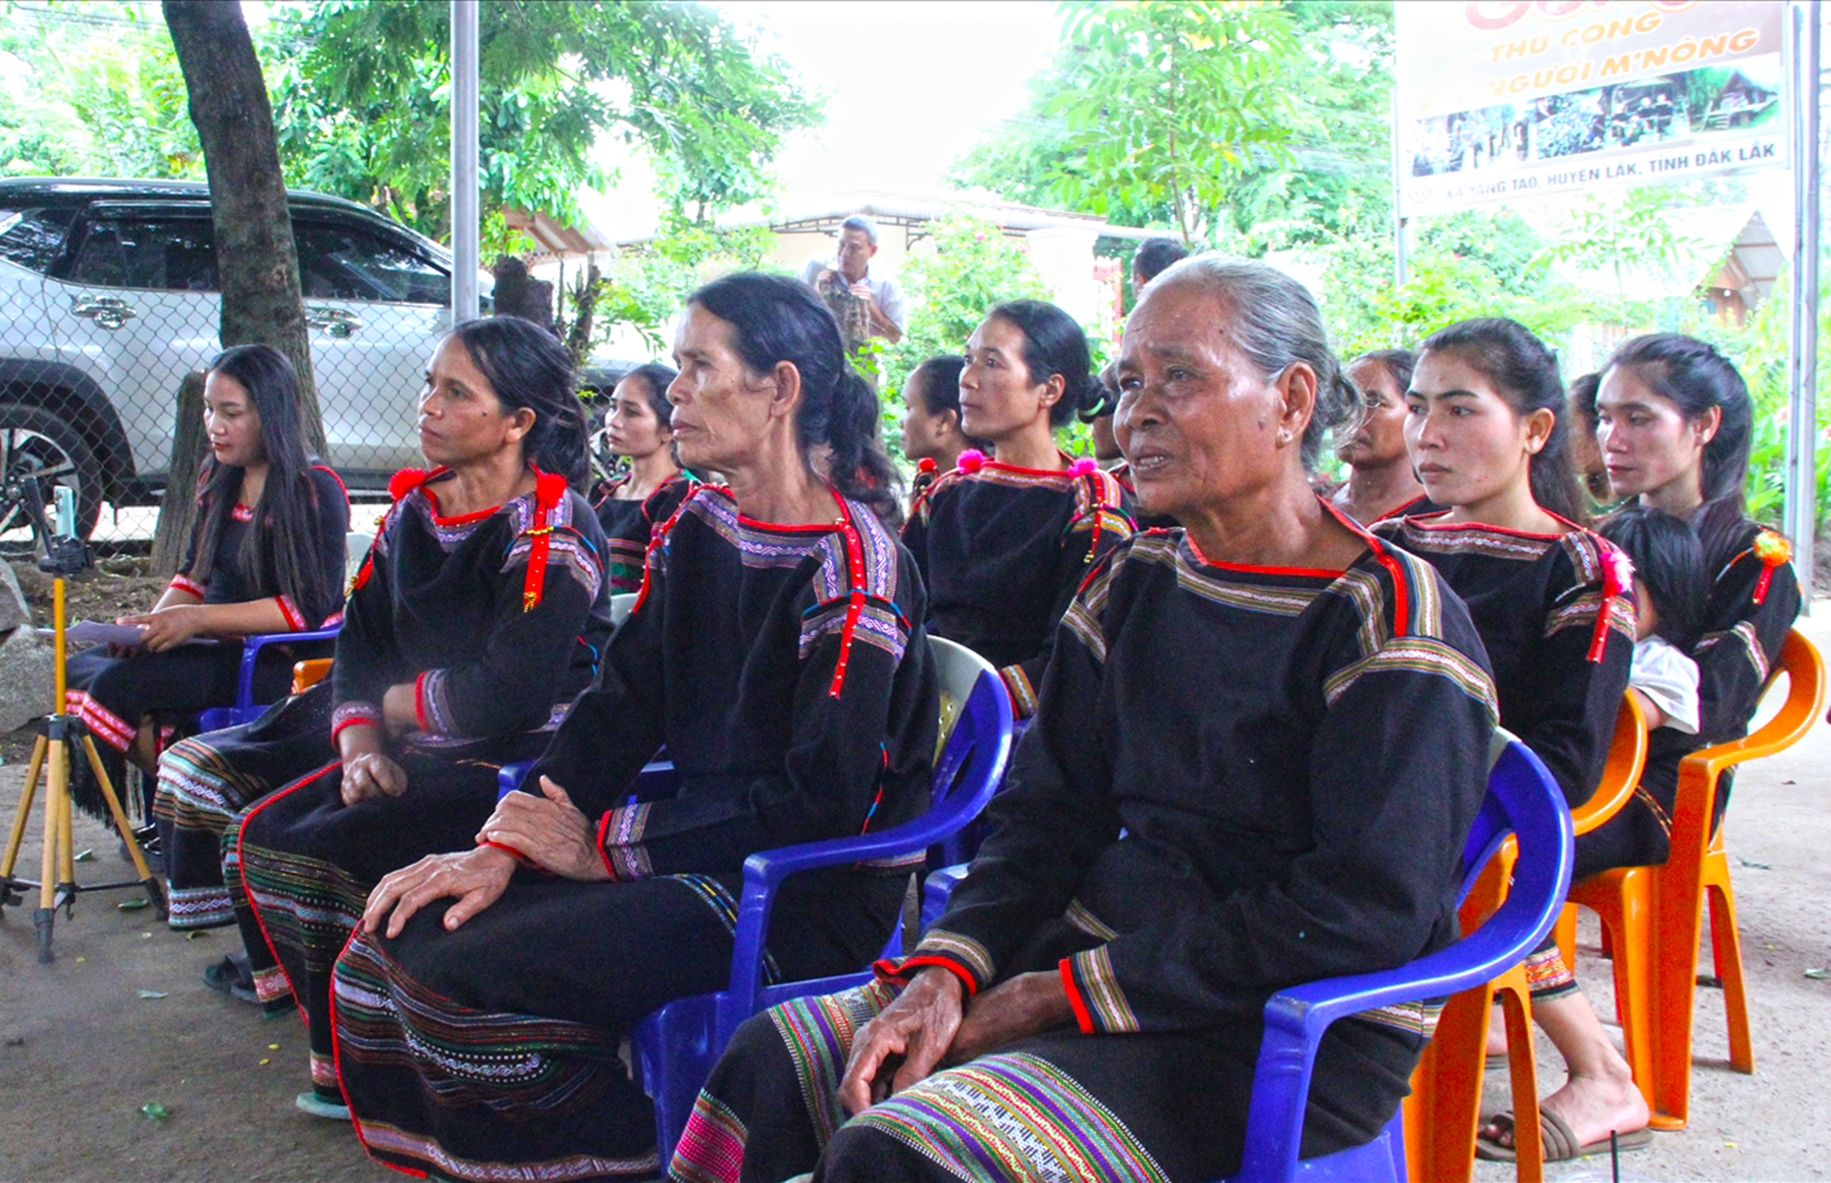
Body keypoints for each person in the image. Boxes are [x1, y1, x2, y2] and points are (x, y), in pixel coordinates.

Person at [671, 256, 1499, 1183]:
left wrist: (1049, 995)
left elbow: (1360, 908)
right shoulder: (1135, 581)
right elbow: (1044, 811)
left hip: (1271, 1022)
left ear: (1292, 398)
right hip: (1091, 957)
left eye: (1178, 376)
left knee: (903, 1152)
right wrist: (950, 970)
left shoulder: (1385, 617)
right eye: (1128, 383)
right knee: (771, 1062)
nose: (1135, 413)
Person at [329, 272, 937, 1182]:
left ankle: (622, 1157)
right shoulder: (701, 520)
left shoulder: (852, 569)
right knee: (392, 942)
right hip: (699, 845)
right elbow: (621, 706)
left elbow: (823, 801)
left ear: (779, 390)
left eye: (697, 367)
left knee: (462, 985)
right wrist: (506, 845)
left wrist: (608, 850)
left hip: (797, 890)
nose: (675, 390)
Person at [159, 316, 614, 1109]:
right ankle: (345, 1049)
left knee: (330, 845)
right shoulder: (415, 508)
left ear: (517, 423)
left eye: (455, 392)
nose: (428, 405)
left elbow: (510, 689)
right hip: (416, 743)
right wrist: (364, 736)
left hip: (510, 761)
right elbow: (360, 639)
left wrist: (398, 704)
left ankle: (378, 1061)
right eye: (428, 384)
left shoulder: (552, 527)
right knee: (265, 832)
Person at [1478, 333, 1802, 1160]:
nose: (1611, 437)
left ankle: (1601, 1073)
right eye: (1606, 416)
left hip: (1655, 788)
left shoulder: (1755, 561)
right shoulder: (1596, 536)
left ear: (1702, 426)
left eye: (1638, 418)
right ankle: (1478, 989)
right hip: (1570, 759)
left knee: (1491, 850)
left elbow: (1716, 703)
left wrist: (1607, 683)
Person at [65, 345, 349, 815]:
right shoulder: (218, 477)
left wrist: (195, 622)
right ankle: (177, 799)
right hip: (213, 644)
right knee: (77, 671)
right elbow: (193, 576)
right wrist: (148, 629)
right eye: (208, 409)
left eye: (230, 412)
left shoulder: (313, 489)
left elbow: (306, 611)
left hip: (274, 659)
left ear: (271, 414)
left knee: (118, 686)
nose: (214, 425)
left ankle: (183, 802)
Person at [901, 299, 1132, 718]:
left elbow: (1076, 654)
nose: (968, 379)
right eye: (968, 360)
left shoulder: (1091, 506)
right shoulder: (945, 495)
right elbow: (900, 612)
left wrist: (968, 707)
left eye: (992, 363)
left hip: (1024, 732)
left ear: (1050, 389)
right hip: (926, 710)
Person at [1598, 506, 1706, 736]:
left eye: (1622, 591)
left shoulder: (1662, 663)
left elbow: (1626, 719)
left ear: (1666, 597)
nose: (1603, 600)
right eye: (1595, 586)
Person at [592, 362, 695, 592]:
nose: (614, 421)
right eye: (612, 407)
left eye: (632, 412)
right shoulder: (602, 492)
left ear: (669, 428)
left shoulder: (683, 497)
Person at [1329, 348, 1429, 524]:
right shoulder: (1316, 502)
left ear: (1417, 413)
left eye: (1373, 402)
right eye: (1344, 399)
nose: (1351, 416)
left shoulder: (1441, 518)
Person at [801, 214, 907, 353]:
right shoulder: (817, 266)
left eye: (854, 248)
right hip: (818, 353)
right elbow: (794, 316)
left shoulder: (887, 284)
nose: (844, 253)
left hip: (864, 361)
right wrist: (816, 292)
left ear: (873, 251)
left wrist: (872, 308)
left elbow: (895, 337)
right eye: (841, 244)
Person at [897, 354, 981, 504]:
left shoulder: (979, 498)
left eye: (908, 408)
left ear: (944, 421)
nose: (900, 422)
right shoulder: (932, 486)